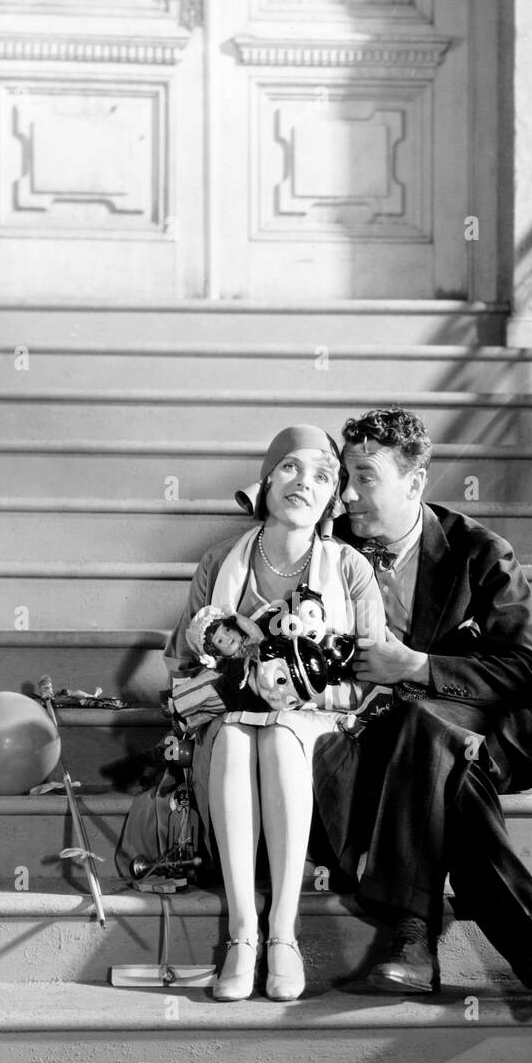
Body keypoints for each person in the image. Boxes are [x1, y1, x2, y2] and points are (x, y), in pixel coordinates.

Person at [331, 406, 532, 1019]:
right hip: (374, 743)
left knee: (430, 732)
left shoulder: (481, 552)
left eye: (365, 477)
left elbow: (527, 674)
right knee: (437, 751)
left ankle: (411, 931)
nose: (346, 495)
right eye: (344, 476)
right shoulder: (330, 548)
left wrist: (416, 667)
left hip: (474, 731)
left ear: (415, 482)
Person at [164, 425, 385, 1003]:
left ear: (333, 498)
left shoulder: (349, 569)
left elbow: (374, 678)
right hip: (230, 728)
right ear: (264, 483)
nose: (303, 484)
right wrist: (235, 674)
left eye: (321, 475)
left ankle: (283, 933)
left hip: (322, 733)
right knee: (238, 734)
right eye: (290, 468)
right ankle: (243, 933)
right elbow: (183, 669)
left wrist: (298, 692)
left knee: (282, 732)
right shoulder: (219, 562)